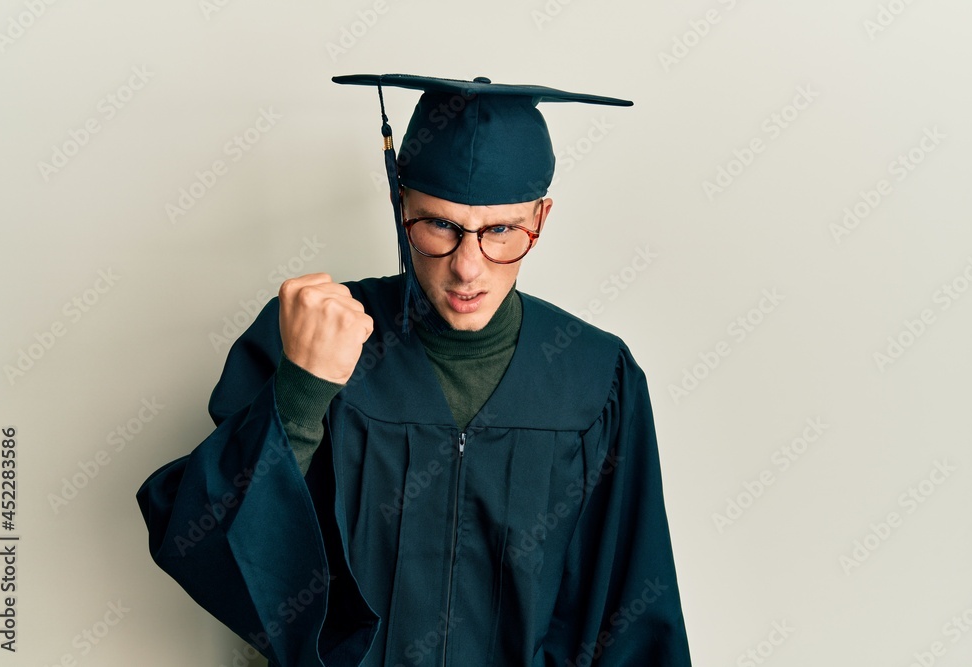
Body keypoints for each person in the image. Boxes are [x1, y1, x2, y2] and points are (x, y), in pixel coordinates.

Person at [137, 74, 692, 667]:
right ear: (402, 205)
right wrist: (301, 391)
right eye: (440, 227)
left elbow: (631, 606)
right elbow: (202, 539)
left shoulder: (596, 377)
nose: (468, 269)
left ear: (541, 218)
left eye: (501, 230)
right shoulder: (312, 334)